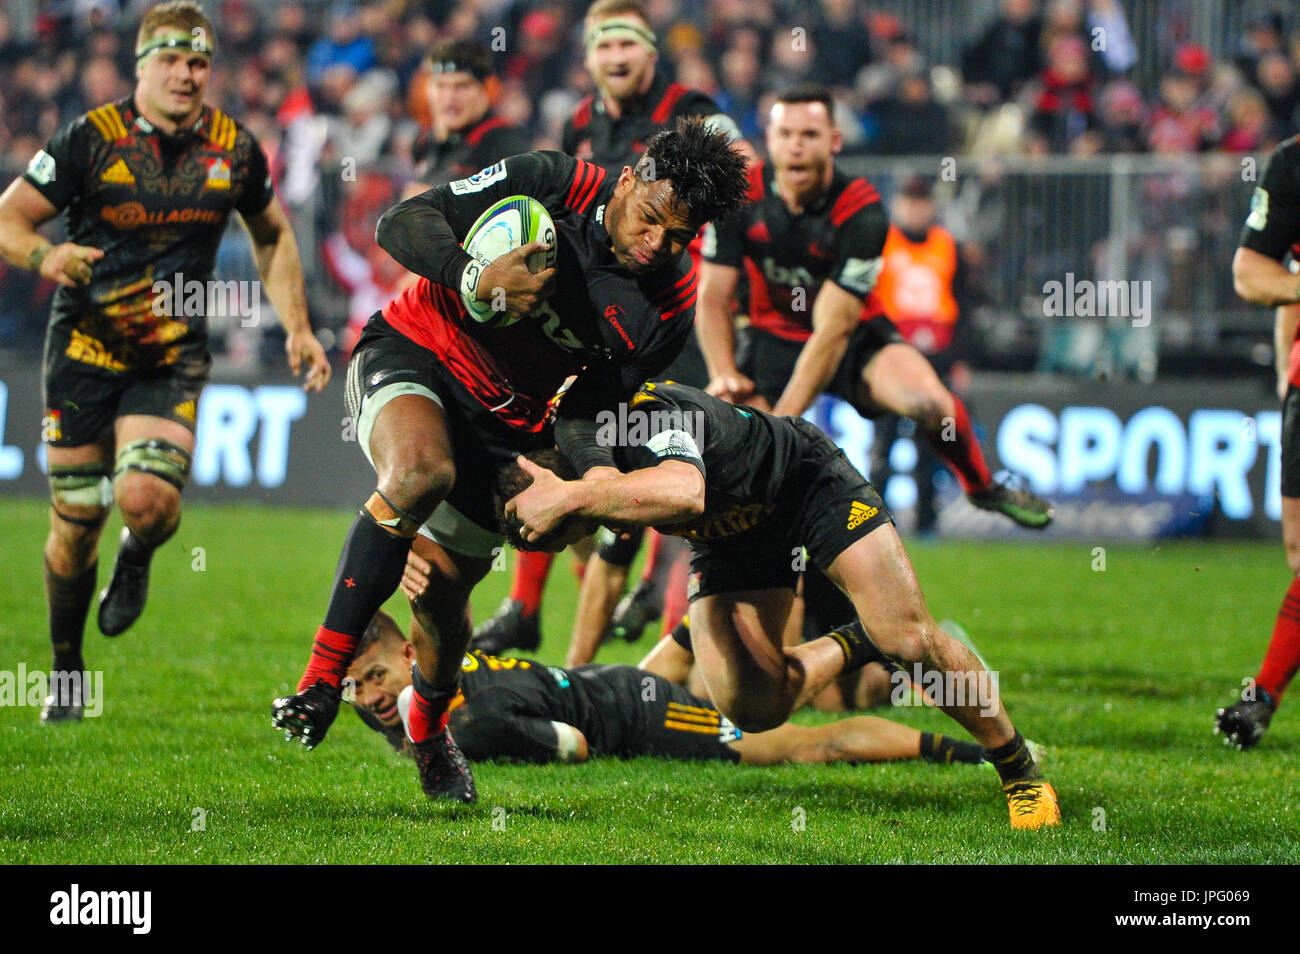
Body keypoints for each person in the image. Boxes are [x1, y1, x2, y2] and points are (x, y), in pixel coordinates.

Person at [270, 119, 750, 805]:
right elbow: (403, 222)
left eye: (678, 238)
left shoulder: (669, 305)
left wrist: (588, 475)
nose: (656, 247)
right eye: (649, 221)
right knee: (417, 472)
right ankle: (320, 680)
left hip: (504, 424)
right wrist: (473, 277)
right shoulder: (554, 181)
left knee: (441, 603)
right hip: (416, 350)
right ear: (627, 181)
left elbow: (589, 405)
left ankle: (431, 736)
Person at [501, 381, 1061, 828]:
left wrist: (572, 500)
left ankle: (1019, 771)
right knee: (754, 707)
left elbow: (685, 493)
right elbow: (607, 567)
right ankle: (856, 638)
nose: (531, 538)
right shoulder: (589, 468)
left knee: (909, 639)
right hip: (730, 537)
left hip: (805, 483)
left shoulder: (643, 419)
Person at [0, 0, 330, 724]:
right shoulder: (89, 139)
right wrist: (47, 254)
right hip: (85, 346)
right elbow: (9, 217)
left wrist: (299, 328)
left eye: (200, 62)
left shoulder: (235, 148)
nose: (187, 74)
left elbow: (272, 236)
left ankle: (140, 550)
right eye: (174, 60)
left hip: (170, 355)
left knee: (147, 502)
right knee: (76, 515)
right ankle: (65, 668)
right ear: (141, 65)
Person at [475, 0, 744, 658]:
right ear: (589, 56)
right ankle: (537, 617)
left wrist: (718, 284)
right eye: (604, 45)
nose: (616, 56)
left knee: (662, 454)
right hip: (596, 310)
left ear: (651, 54)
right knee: (568, 443)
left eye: (628, 44)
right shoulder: (579, 121)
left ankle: (658, 593)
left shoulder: (692, 109)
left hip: (668, 308)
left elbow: (735, 187)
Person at [697, 83, 1053, 532]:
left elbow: (833, 331)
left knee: (931, 402)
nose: (797, 146)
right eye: (786, 134)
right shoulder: (738, 196)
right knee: (731, 470)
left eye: (809, 134)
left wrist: (782, 423)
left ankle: (982, 487)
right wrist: (722, 369)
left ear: (835, 141)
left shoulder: (861, 210)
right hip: (769, 343)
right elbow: (711, 296)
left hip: (853, 341)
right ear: (770, 139)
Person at [349, 611, 988, 769]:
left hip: (640, 711)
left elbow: (573, 744)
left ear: (407, 656)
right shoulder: (444, 668)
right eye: (356, 688)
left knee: (804, 742)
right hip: (617, 680)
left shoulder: (472, 720)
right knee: (717, 632)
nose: (369, 697)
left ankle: (976, 753)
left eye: (375, 677)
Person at [1217, 133, 1300, 748]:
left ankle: (1264, 694)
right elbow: (1255, 271)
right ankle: (1263, 696)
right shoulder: (1292, 162)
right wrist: (1283, 371)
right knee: (1299, 553)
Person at [868, 176, 975, 533]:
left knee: (930, 444)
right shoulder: (881, 244)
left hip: (936, 360)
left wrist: (960, 359)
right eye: (909, 201)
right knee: (884, 442)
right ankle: (876, 524)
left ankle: (927, 523)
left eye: (921, 201)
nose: (915, 209)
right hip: (893, 357)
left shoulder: (948, 247)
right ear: (898, 203)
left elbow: (962, 305)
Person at [413, 39, 532, 187]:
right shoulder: (424, 142)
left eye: (462, 86)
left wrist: (433, 206)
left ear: (486, 90)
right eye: (440, 86)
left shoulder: (506, 145)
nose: (450, 98)